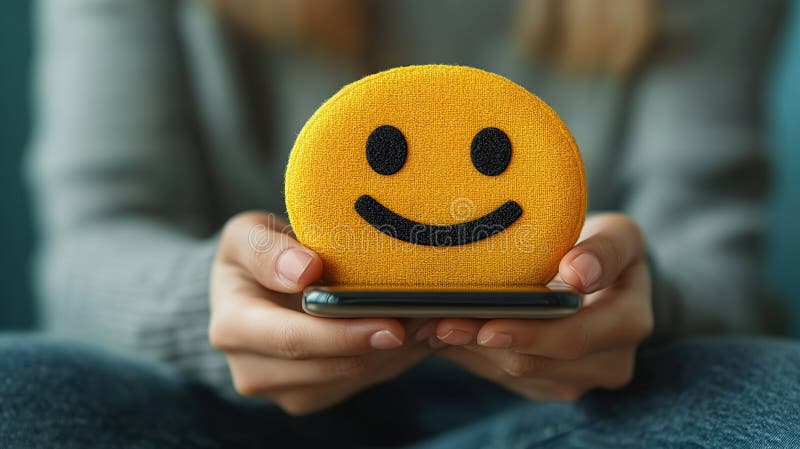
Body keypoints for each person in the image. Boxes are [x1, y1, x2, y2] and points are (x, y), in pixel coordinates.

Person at [2, 0, 798, 447]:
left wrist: (639, 296)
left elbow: (717, 258)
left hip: (577, 410)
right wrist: (205, 305)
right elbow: (91, 242)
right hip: (223, 412)